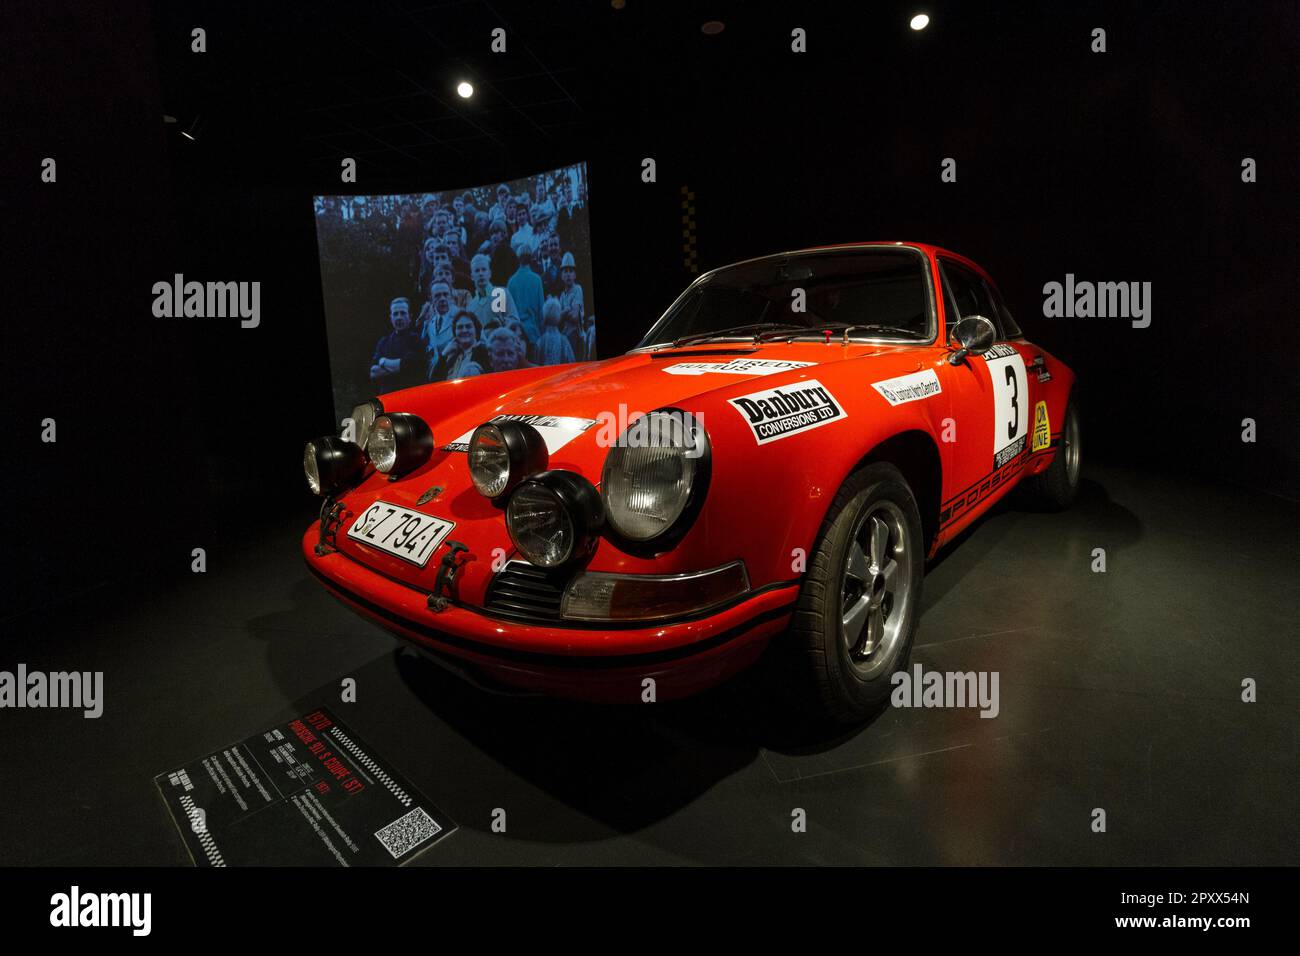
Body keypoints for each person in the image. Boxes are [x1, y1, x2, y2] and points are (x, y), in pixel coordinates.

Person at [370, 297, 422, 389]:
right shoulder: (383, 342)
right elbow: (373, 372)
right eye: (395, 314)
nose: (399, 317)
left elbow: (411, 366)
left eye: (403, 313)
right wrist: (400, 367)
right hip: (387, 396)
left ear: (410, 317)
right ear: (391, 318)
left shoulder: (416, 340)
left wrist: (383, 361)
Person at [467, 253, 520, 331]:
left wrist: (503, 323)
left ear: (489, 273)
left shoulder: (501, 293)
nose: (481, 273)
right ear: (472, 276)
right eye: (477, 271)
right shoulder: (471, 306)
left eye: (484, 269)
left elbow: (515, 322)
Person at [432, 310, 490, 381]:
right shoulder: (453, 356)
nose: (464, 330)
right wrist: (444, 354)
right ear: (455, 332)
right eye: (460, 327)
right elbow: (434, 379)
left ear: (476, 329)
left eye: (468, 326)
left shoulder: (483, 353)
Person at [417, 279, 456, 376]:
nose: (442, 298)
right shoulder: (431, 324)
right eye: (437, 295)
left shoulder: (461, 317)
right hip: (436, 376)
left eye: (445, 294)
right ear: (431, 298)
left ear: (451, 295)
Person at [508, 247, 544, 344]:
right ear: (531, 258)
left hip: (517, 334)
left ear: (518, 258)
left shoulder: (511, 282)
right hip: (534, 333)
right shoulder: (537, 280)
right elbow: (541, 311)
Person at [537, 297, 576, 365]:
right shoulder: (564, 341)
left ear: (545, 315)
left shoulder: (540, 342)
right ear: (558, 316)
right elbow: (572, 362)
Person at [558, 251, 585, 330]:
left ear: (575, 275)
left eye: (571, 271)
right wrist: (568, 310)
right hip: (566, 335)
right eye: (565, 271)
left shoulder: (577, 289)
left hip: (577, 336)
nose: (568, 274)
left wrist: (563, 313)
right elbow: (557, 319)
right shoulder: (562, 295)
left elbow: (575, 317)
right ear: (562, 276)